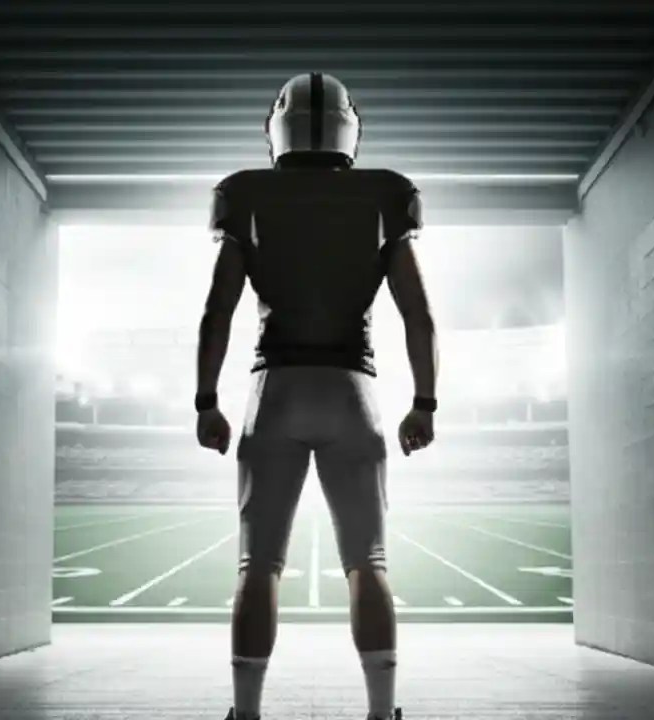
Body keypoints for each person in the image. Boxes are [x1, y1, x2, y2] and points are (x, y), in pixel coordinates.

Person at [193, 72, 438, 720]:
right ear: (349, 128)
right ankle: (383, 714)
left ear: (276, 127)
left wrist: (205, 401)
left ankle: (245, 716)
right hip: (353, 388)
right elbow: (418, 314)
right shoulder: (384, 193)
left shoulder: (245, 193)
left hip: (275, 387)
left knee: (258, 566)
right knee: (369, 562)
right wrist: (425, 403)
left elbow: (218, 310)